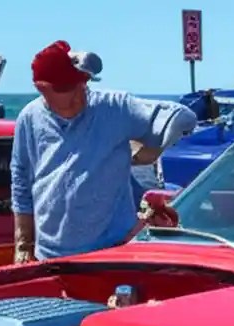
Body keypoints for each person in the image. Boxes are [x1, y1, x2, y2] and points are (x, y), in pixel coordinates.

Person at [10, 40, 197, 263]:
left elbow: (183, 117)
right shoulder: (29, 118)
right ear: (43, 89)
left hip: (112, 251)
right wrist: (23, 244)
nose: (80, 97)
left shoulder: (115, 107)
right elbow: (21, 181)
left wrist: (150, 150)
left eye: (83, 87)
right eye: (69, 92)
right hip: (50, 256)